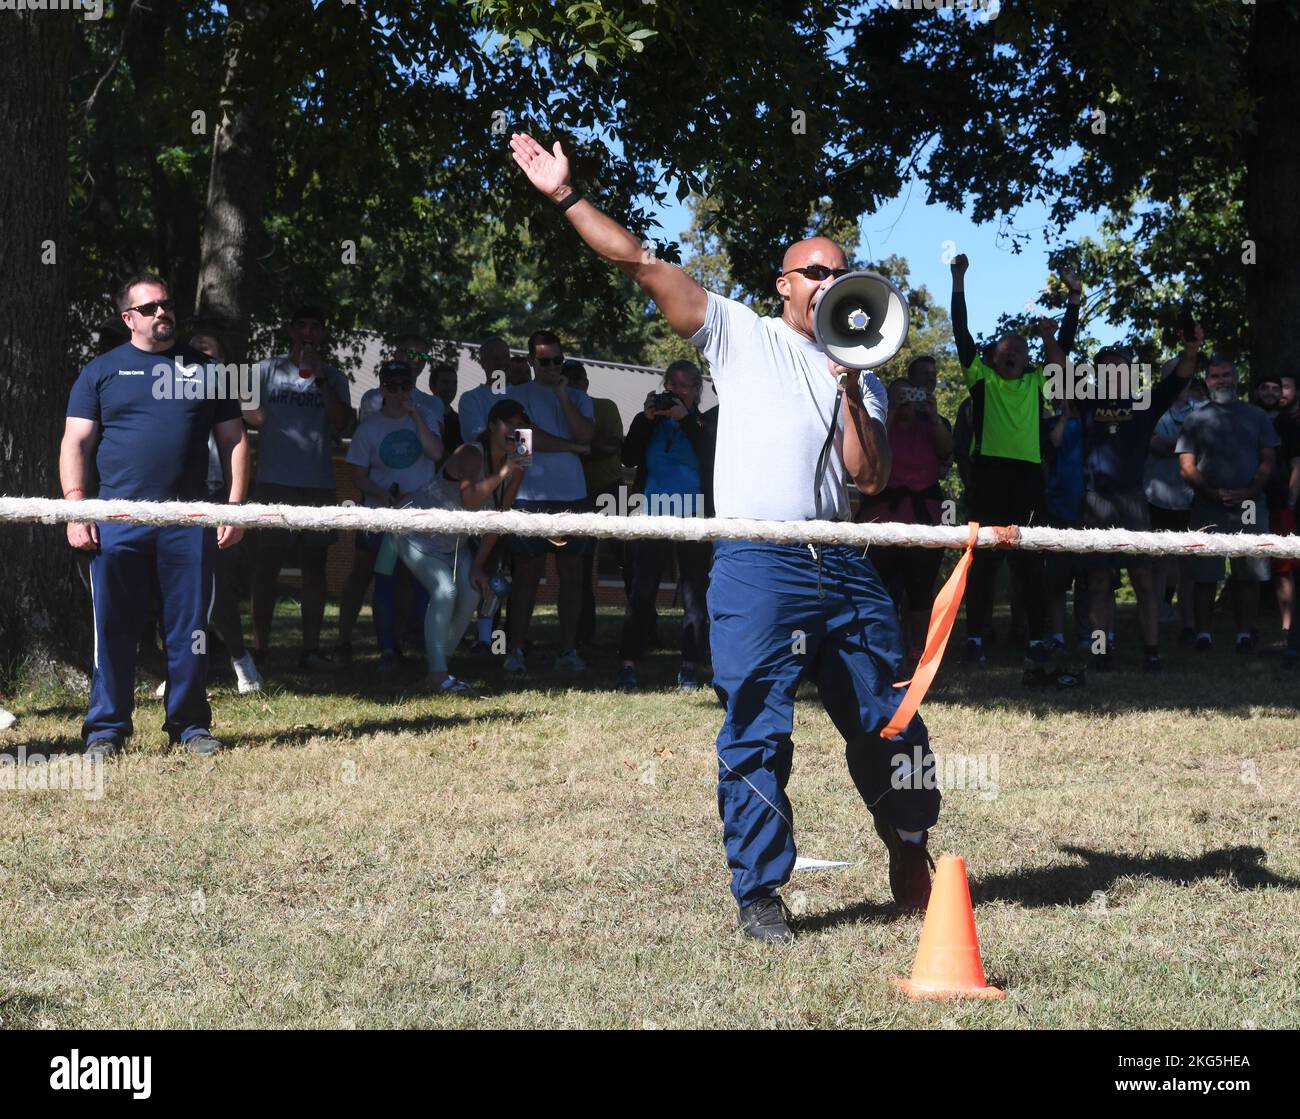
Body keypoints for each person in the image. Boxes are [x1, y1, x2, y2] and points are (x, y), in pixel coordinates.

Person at [512, 131, 938, 943]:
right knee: (754, 717)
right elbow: (641, 264)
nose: (832, 281)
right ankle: (761, 893)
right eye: (817, 270)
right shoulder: (741, 332)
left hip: (843, 564)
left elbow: (870, 477)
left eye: (841, 270)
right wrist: (566, 196)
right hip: (755, 559)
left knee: (893, 716)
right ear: (784, 285)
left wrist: (851, 388)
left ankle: (909, 838)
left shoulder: (866, 370)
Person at [60, 274, 249, 758]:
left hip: (189, 521)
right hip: (117, 520)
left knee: (190, 631)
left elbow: (234, 441)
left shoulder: (207, 369)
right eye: (150, 308)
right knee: (116, 629)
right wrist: (75, 508)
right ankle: (106, 730)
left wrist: (234, 505)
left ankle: (189, 726)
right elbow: (75, 443)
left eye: (166, 304)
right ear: (128, 319)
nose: (162, 313)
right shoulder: (99, 371)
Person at [951, 256, 1078, 664]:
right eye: (1004, 348)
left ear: (1027, 360)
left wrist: (1072, 301)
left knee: (1030, 563)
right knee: (983, 563)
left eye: (1020, 349)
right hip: (989, 477)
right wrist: (958, 281)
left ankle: (1036, 641)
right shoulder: (981, 379)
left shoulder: (1036, 381)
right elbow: (961, 333)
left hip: (1027, 479)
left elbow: (1065, 348)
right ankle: (975, 640)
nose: (1012, 352)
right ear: (992, 358)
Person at [1077, 324, 1203, 673]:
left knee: (1144, 580)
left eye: (1119, 365)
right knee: (1099, 582)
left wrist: (1190, 351)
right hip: (1095, 500)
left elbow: (1178, 379)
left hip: (1132, 500)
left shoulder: (1145, 403)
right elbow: (1058, 359)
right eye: (1106, 366)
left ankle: (1152, 653)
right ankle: (1101, 653)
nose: (1112, 371)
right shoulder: (1087, 401)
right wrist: (1059, 324)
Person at [242, 306, 354, 669]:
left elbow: (341, 425)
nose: (308, 332)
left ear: (321, 335)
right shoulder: (265, 370)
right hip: (274, 481)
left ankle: (310, 649)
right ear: (291, 331)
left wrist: (320, 379)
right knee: (266, 567)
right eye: (302, 326)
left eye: (315, 327)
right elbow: (239, 408)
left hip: (318, 485)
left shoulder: (334, 377)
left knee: (315, 567)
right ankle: (260, 648)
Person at [498, 329, 596, 675]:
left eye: (557, 360)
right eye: (545, 361)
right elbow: (525, 443)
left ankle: (568, 651)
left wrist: (563, 397)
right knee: (526, 576)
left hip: (573, 495)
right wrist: (571, 447)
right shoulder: (516, 395)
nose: (552, 366)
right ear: (531, 361)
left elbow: (587, 436)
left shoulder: (579, 397)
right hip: (529, 496)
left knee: (572, 577)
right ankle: (515, 651)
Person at [617, 359, 717, 692]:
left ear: (697, 389)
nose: (676, 391)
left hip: (694, 514)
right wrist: (647, 420)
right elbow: (628, 457)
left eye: (685, 385)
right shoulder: (647, 421)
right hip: (651, 512)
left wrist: (685, 420)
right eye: (671, 384)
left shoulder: (706, 423)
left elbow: (710, 456)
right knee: (641, 590)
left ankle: (689, 666)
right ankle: (629, 664)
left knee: (694, 592)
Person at [1177, 356, 1279, 652]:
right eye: (1214, 376)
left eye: (1226, 374)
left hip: (1249, 505)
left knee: (1248, 572)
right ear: (1207, 382)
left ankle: (1245, 635)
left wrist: (1250, 490)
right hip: (1207, 504)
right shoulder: (1195, 418)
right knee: (1205, 573)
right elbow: (1185, 465)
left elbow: (1268, 460)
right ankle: (1204, 635)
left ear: (1235, 378)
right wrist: (1211, 492)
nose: (1221, 380)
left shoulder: (1256, 416)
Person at [343, 360, 440, 669]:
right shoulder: (369, 427)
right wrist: (382, 495)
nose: (400, 392)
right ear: (382, 388)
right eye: (393, 387)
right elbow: (357, 476)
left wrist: (415, 417)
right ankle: (387, 647)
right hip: (383, 518)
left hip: (421, 519)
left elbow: (436, 454)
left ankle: (422, 645)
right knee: (385, 581)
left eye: (406, 386)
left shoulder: (425, 417)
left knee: (424, 581)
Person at [856, 377, 952, 668]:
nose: (908, 400)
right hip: (882, 515)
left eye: (912, 394)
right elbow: (868, 455)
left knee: (921, 586)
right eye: (900, 395)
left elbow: (948, 452)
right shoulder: (877, 423)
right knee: (879, 586)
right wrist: (894, 414)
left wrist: (932, 417)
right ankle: (880, 645)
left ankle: (918, 648)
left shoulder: (934, 424)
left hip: (924, 516)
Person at [188, 330, 263, 693]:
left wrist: (225, 380)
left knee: (216, 589)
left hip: (220, 496)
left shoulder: (230, 386)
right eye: (197, 352)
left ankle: (241, 661)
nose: (204, 357)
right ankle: (182, 670)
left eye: (211, 352)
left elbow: (258, 417)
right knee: (181, 590)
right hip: (177, 499)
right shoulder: (172, 386)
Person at [566, 358, 626, 651]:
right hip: (576, 492)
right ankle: (582, 635)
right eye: (568, 381)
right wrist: (588, 448)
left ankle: (641, 626)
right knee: (580, 564)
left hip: (612, 489)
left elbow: (615, 446)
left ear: (586, 383)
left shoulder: (606, 406)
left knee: (627, 558)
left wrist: (575, 450)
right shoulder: (558, 411)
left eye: (578, 380)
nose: (574, 386)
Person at [1145, 376, 1207, 647]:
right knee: (1158, 566)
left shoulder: (1202, 411)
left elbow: (1209, 445)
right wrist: (1188, 446)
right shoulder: (1150, 409)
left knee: (1189, 568)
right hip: (1157, 498)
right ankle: (1154, 623)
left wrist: (1174, 444)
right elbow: (1153, 445)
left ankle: (1189, 626)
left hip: (1193, 499)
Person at [467, 399, 535, 640]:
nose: (515, 431)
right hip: (453, 528)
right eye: (508, 423)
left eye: (521, 426)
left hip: (488, 526)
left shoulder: (520, 456)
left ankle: (485, 641)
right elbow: (470, 500)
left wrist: (481, 560)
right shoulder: (473, 451)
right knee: (454, 588)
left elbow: (502, 512)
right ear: (492, 425)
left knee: (494, 582)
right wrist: (504, 470)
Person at [1253, 373, 1300, 644]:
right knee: (1251, 563)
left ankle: (1286, 629)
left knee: (1283, 566)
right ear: (1258, 392)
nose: (1271, 392)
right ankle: (1249, 630)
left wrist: (1291, 500)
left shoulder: (1289, 425)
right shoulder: (1246, 419)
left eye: (1276, 388)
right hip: (1250, 502)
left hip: (1281, 503)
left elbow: (1297, 464)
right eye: (1265, 387)